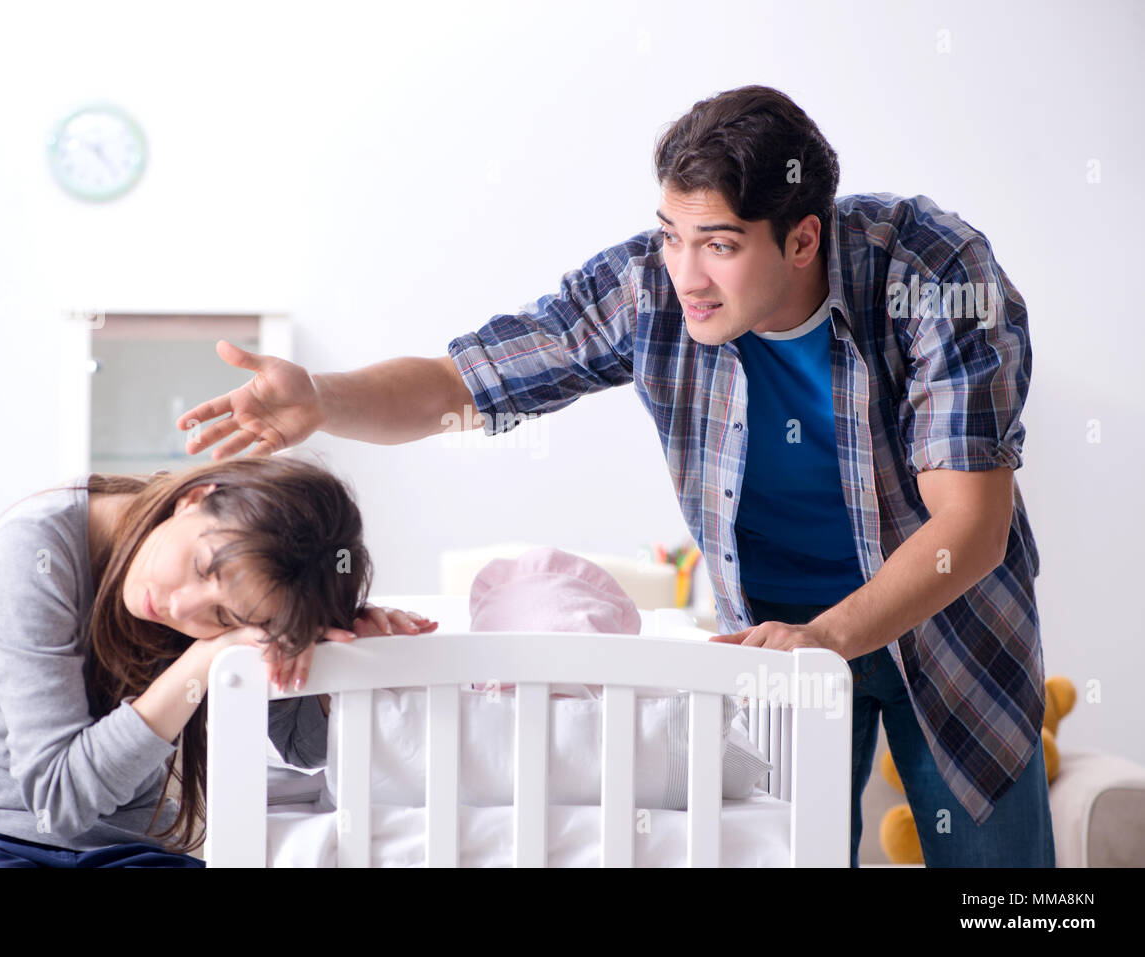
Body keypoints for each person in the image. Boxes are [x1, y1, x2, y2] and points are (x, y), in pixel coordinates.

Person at [174, 85, 1056, 869]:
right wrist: (321, 399)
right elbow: (462, 384)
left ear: (802, 239)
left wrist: (830, 635)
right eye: (672, 236)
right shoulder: (648, 288)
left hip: (950, 634)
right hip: (773, 646)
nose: (687, 276)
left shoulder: (931, 273)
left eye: (717, 245)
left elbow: (968, 524)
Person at [0, 456, 437, 867]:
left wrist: (330, 649)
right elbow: (58, 802)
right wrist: (205, 658)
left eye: (223, 616)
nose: (180, 606)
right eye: (201, 566)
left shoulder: (213, 608)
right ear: (196, 496)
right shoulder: (35, 554)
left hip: (124, 855)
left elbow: (302, 746)